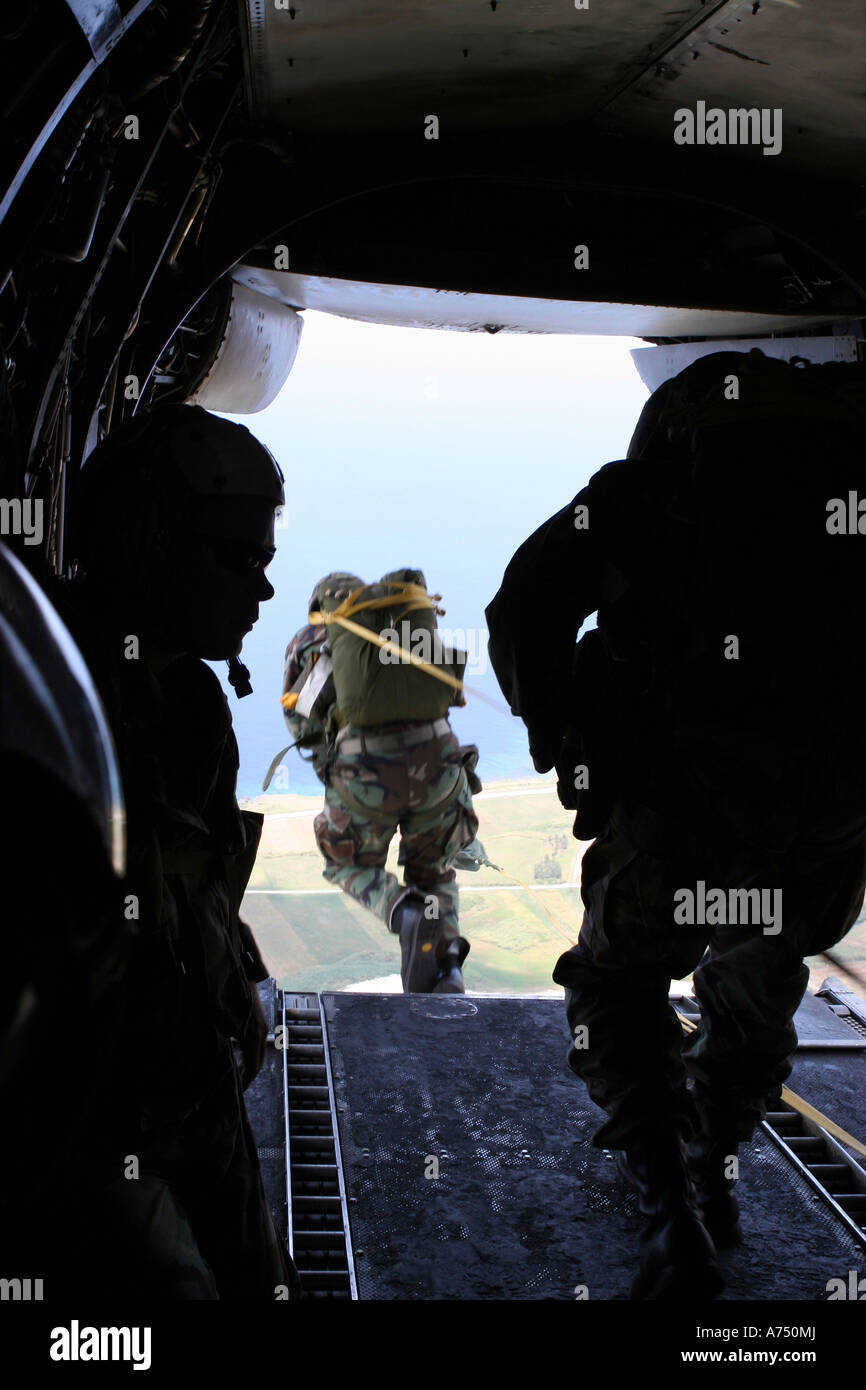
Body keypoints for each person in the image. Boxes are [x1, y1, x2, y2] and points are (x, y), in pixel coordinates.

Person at [486, 349, 866, 1300]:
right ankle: (715, 1165)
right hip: (823, 835)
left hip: (683, 814)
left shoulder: (645, 494)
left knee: (615, 986)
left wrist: (561, 737)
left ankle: (670, 1212)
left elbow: (524, 605)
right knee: (761, 977)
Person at [56, 403, 299, 1299]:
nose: (261, 593)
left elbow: (195, 892)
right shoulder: (57, 709)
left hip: (195, 1092)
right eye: (237, 561)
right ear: (145, 542)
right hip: (96, 1127)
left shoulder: (193, 708)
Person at [284, 569, 481, 993]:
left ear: (322, 607)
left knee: (347, 863)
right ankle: (448, 966)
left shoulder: (313, 643)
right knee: (434, 873)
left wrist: (332, 767)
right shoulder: (402, 627)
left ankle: (404, 912)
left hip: (365, 771)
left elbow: (301, 720)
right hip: (441, 762)